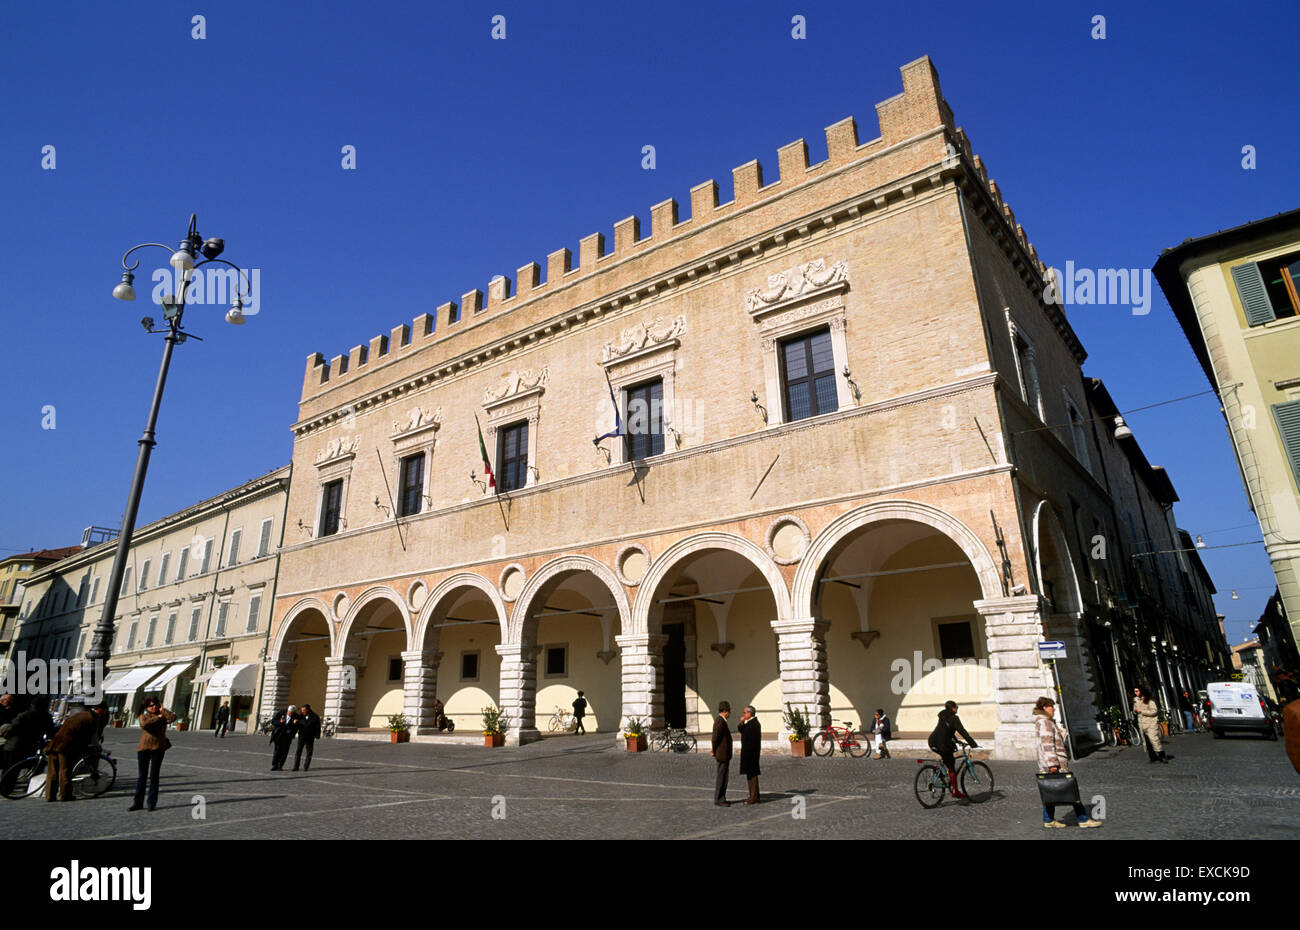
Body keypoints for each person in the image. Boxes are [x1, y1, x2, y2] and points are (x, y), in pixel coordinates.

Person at [1034, 697, 1100, 829]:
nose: (1054, 709)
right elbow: (1047, 744)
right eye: (1051, 706)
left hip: (1049, 763)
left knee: (1050, 791)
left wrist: (1061, 735)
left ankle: (1048, 820)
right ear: (1045, 708)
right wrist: (1053, 764)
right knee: (1070, 790)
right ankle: (1083, 819)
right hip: (1055, 764)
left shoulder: (1044, 722)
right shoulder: (1046, 722)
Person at [45, 702, 107, 802]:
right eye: (104, 712)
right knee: (65, 770)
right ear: (101, 710)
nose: (103, 714)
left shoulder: (81, 714)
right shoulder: (92, 719)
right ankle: (65, 795)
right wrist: (97, 748)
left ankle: (49, 796)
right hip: (66, 746)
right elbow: (91, 738)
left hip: (56, 742)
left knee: (52, 771)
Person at [128, 695, 175, 811]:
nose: (153, 707)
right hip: (144, 749)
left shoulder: (162, 715)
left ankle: (151, 803)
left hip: (158, 748)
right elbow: (145, 724)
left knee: (154, 776)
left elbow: (173, 718)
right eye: (150, 705)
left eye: (155, 705)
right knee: (142, 777)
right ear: (146, 707)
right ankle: (137, 803)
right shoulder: (143, 716)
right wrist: (159, 717)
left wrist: (162, 710)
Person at [928, 700, 977, 799]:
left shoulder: (942, 716)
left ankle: (943, 774)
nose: (957, 709)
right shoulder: (954, 718)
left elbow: (947, 730)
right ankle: (955, 791)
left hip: (933, 741)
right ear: (953, 708)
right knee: (951, 766)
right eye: (956, 707)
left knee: (947, 760)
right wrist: (972, 743)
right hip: (942, 745)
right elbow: (962, 731)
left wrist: (956, 740)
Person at [1133, 685, 1167, 763]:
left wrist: (1141, 711)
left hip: (1150, 723)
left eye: (1137, 691)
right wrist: (1135, 710)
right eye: (1134, 691)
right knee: (1146, 742)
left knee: (1154, 740)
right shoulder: (1136, 700)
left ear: (1141, 691)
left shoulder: (1149, 700)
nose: (1135, 693)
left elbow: (1154, 711)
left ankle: (1162, 756)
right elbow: (1135, 710)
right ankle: (1152, 757)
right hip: (1142, 724)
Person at [738, 705, 761, 804]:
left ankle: (754, 796)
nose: (743, 714)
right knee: (750, 775)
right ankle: (752, 795)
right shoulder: (750, 723)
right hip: (749, 753)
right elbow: (741, 730)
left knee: (752, 775)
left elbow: (751, 740)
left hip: (751, 754)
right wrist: (742, 722)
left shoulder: (753, 723)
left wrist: (748, 753)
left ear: (749, 713)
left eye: (745, 713)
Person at [711, 701, 733, 806]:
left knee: (724, 777)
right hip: (722, 754)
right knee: (721, 777)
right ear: (725, 711)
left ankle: (722, 797)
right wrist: (714, 750)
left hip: (724, 754)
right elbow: (715, 738)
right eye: (729, 711)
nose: (729, 714)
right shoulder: (720, 721)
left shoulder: (721, 721)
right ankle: (719, 799)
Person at [270, 704, 300, 771]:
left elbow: (296, 728)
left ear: (294, 712)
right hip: (278, 735)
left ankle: (280, 765)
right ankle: (275, 765)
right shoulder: (281, 713)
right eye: (289, 712)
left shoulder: (296, 716)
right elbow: (273, 721)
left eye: (291, 713)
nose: (290, 714)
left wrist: (295, 723)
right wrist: (280, 722)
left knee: (284, 752)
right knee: (277, 751)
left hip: (287, 737)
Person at [294, 703, 321, 771]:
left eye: (304, 710)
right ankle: (296, 766)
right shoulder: (300, 716)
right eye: (302, 710)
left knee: (309, 752)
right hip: (301, 736)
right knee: (298, 752)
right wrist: (296, 722)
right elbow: (296, 725)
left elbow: (318, 726)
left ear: (308, 710)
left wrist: (317, 735)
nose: (302, 711)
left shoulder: (315, 716)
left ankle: (306, 766)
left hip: (310, 737)